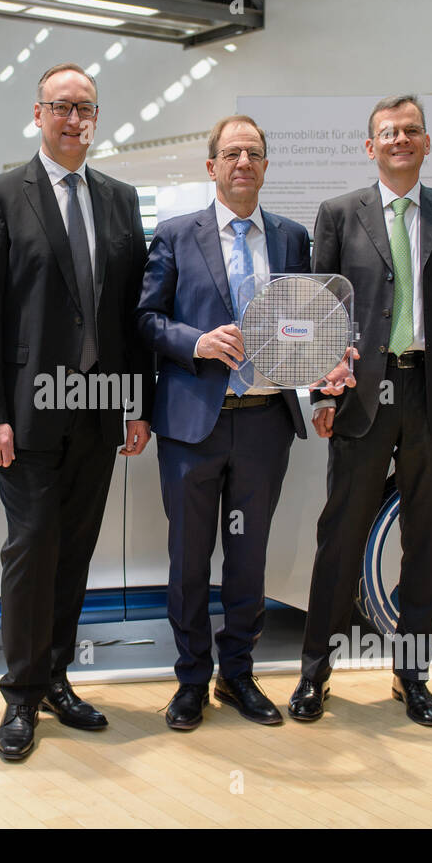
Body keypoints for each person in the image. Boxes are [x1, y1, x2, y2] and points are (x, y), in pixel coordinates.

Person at [0, 63, 154, 761]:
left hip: (99, 410)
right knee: (32, 548)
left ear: (96, 120)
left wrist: (135, 404)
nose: (75, 120)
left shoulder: (121, 200)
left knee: (73, 553)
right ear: (38, 115)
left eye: (87, 109)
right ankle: (19, 696)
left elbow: (131, 317)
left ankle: (57, 679)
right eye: (62, 107)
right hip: (28, 411)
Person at [291, 94, 432, 728]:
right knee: (340, 537)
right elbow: (319, 314)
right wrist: (322, 392)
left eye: (411, 131)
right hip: (359, 397)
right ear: (368, 147)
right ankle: (314, 673)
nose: (399, 140)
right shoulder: (338, 215)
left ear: (426, 144)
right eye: (387, 133)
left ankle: (412, 675)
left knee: (424, 540)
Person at [137, 114, 335, 730]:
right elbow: (144, 319)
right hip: (193, 424)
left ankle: (238, 676)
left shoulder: (292, 239)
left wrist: (329, 362)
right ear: (212, 167)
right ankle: (191, 680)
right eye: (231, 153)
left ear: (266, 165)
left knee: (249, 559)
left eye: (253, 152)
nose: (242, 162)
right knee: (189, 559)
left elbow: (313, 324)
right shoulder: (175, 234)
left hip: (264, 425)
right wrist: (195, 342)